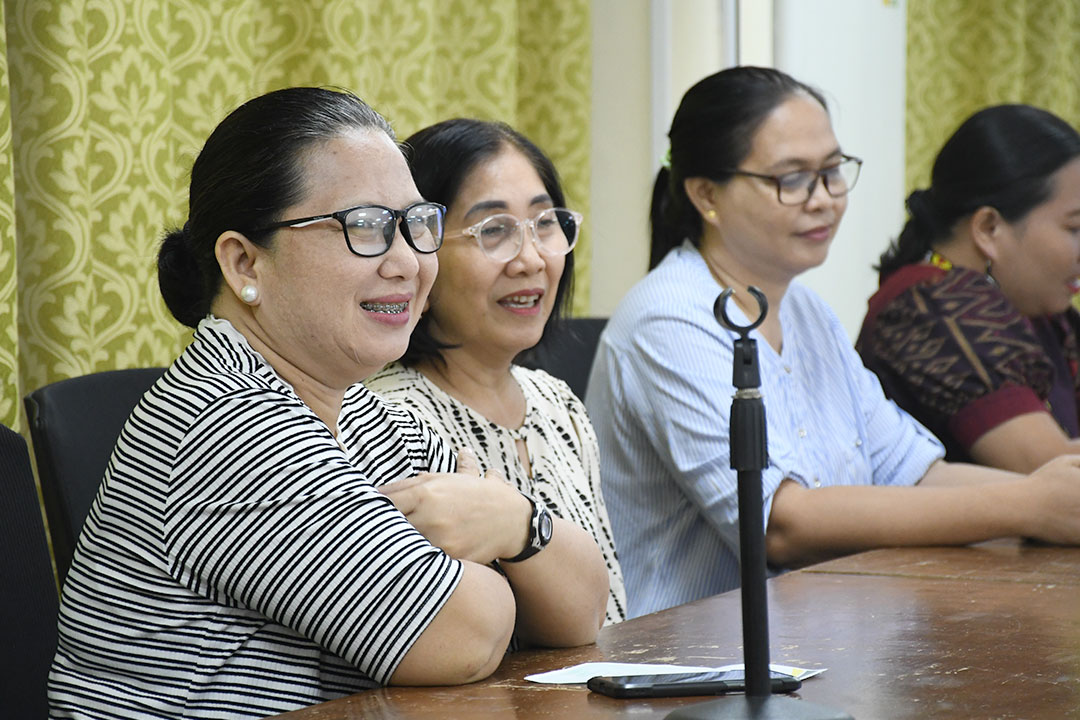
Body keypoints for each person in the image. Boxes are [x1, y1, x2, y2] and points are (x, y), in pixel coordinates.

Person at [48, 88, 601, 720]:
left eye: (416, 224)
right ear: (244, 262)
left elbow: (581, 611)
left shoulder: (372, 415)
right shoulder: (224, 421)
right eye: (364, 226)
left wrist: (513, 521)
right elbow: (462, 636)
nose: (407, 262)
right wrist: (498, 577)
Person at [584, 66, 1080, 619]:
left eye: (832, 172)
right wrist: (1028, 504)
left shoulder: (807, 311)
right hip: (687, 659)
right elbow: (780, 523)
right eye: (792, 178)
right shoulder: (668, 318)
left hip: (823, 637)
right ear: (706, 195)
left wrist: (1054, 491)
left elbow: (914, 472)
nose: (823, 199)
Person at [366, 118, 625, 624]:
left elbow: (608, 614)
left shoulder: (557, 402)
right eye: (493, 230)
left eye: (544, 223)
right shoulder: (385, 420)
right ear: (420, 252)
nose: (531, 259)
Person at [857, 105, 1080, 474]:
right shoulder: (931, 309)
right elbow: (1056, 474)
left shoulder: (1042, 311)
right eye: (1074, 228)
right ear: (989, 228)